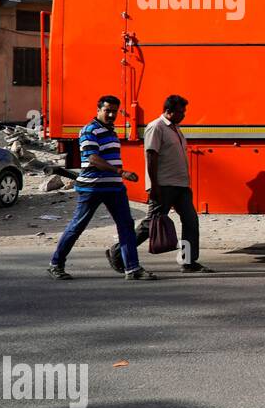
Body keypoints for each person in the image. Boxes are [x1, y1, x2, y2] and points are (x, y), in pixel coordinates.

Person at [49, 95, 156, 281]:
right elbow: (93, 158)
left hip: (114, 187)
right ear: (98, 110)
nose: (112, 114)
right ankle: (56, 264)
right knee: (78, 226)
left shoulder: (111, 132)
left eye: (115, 111)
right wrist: (120, 172)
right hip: (92, 187)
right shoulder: (89, 130)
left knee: (126, 226)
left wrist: (117, 176)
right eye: (108, 110)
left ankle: (132, 268)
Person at [105, 94, 210, 274]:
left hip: (181, 185)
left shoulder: (175, 129)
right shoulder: (156, 127)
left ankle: (189, 261)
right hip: (163, 185)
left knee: (191, 221)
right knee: (150, 225)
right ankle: (117, 252)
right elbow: (151, 156)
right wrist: (154, 186)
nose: (183, 115)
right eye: (180, 112)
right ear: (168, 112)